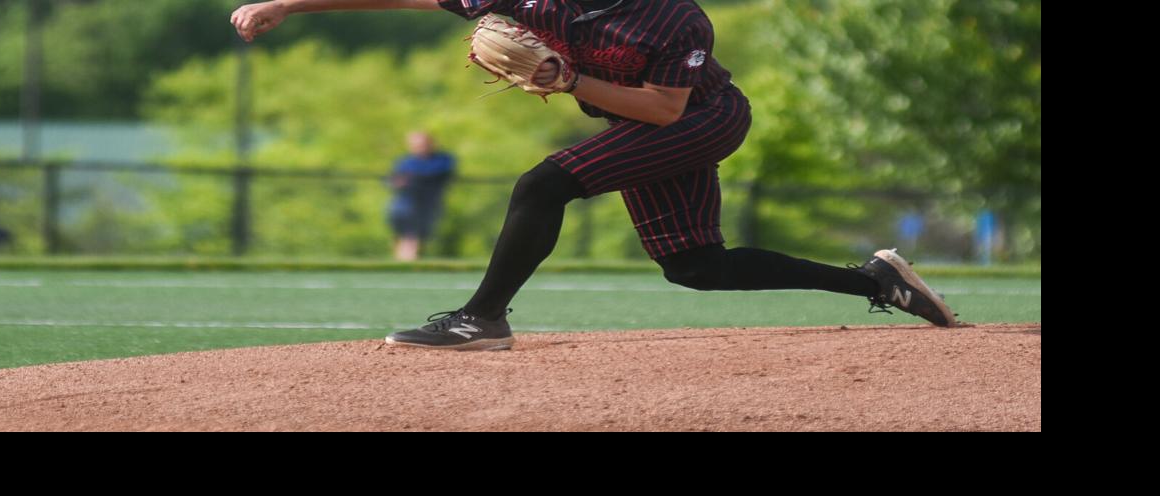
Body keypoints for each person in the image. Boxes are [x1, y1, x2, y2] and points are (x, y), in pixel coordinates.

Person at [231, 0, 957, 351]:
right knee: (697, 268)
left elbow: (665, 110)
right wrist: (290, 4)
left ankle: (482, 318)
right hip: (639, 119)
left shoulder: (674, 18)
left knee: (542, 184)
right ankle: (876, 281)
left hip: (703, 117)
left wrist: (569, 78)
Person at [386, 131, 457, 261]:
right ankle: (403, 261)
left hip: (426, 203)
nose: (419, 148)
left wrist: (411, 178)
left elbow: (432, 175)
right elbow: (392, 180)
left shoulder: (443, 160)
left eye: (422, 145)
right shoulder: (405, 161)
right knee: (403, 235)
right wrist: (398, 182)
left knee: (415, 235)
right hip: (403, 203)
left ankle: (408, 260)